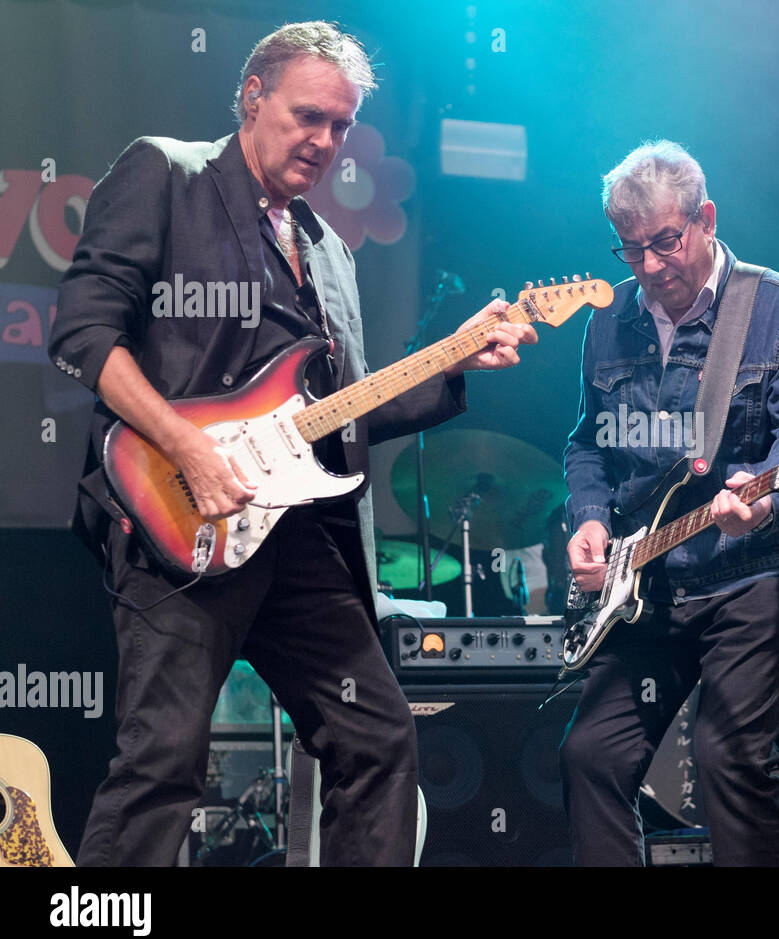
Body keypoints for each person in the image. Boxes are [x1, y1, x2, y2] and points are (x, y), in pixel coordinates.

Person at [48, 21, 537, 866]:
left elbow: (344, 415)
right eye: (308, 116)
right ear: (252, 95)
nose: (325, 141)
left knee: (379, 741)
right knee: (163, 764)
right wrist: (188, 448)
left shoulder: (329, 249)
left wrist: (459, 359)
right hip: (180, 522)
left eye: (342, 127)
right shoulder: (167, 173)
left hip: (301, 539)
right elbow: (84, 334)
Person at [559, 141, 779, 866]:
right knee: (590, 757)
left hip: (753, 571)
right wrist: (589, 514)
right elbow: (587, 441)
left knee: (727, 761)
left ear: (705, 219)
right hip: (649, 582)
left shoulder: (777, 305)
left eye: (665, 242)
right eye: (630, 251)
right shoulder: (607, 320)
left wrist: (761, 501)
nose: (650, 268)